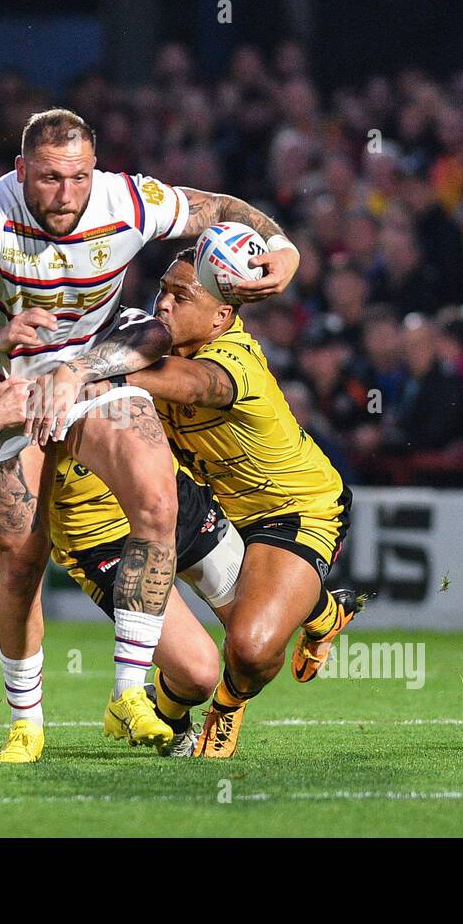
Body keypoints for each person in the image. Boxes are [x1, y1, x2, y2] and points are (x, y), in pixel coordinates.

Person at [0, 107, 301, 764]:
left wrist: (285, 251)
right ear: (20, 172)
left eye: (77, 177)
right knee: (17, 556)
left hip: (95, 367)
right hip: (11, 379)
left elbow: (221, 208)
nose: (65, 194)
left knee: (157, 501)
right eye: (47, 179)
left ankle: (129, 691)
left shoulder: (127, 200)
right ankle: (25, 723)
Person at [0, 367, 248, 757]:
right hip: (102, 541)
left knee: (257, 638)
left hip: (172, 503)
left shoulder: (105, 341)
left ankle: (319, 609)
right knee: (199, 674)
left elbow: (189, 376)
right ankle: (157, 707)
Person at [124, 247, 356, 758]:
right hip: (217, 507)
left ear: (221, 316)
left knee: (249, 649)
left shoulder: (233, 359)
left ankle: (225, 705)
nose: (163, 304)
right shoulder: (158, 348)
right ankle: (319, 610)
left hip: (295, 511)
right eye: (162, 290)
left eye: (180, 297)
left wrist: (110, 369)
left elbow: (199, 385)